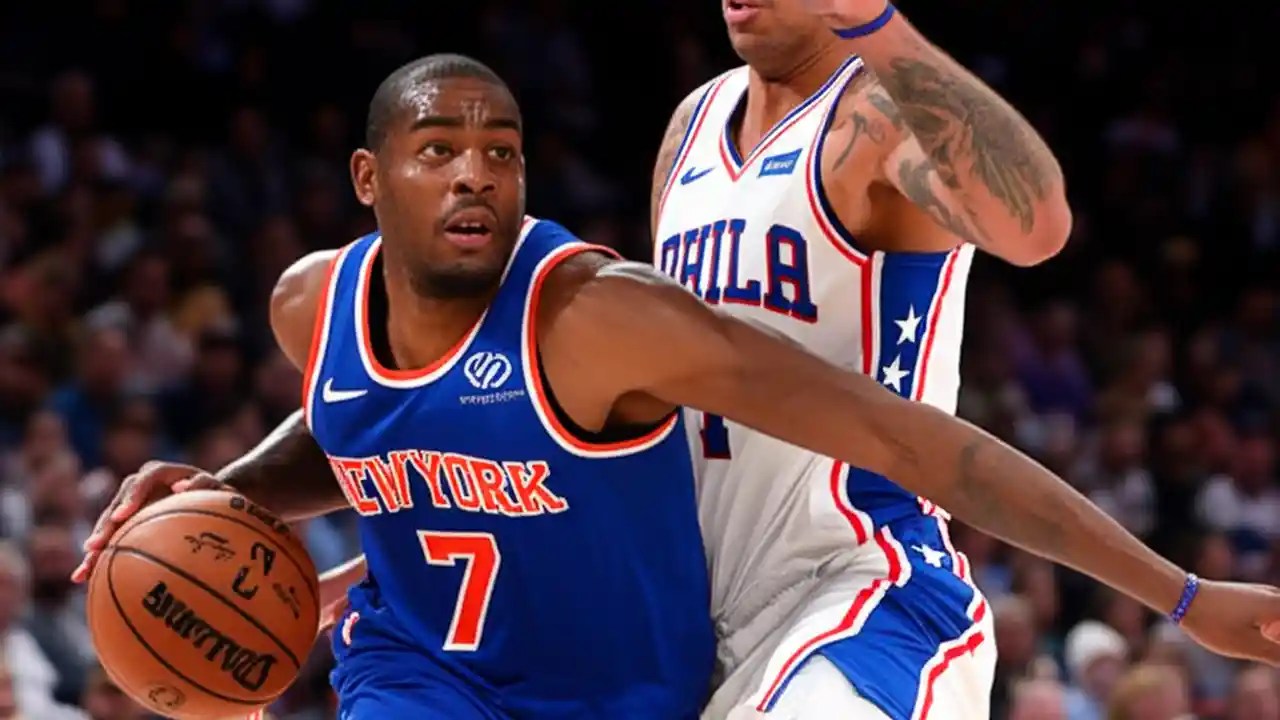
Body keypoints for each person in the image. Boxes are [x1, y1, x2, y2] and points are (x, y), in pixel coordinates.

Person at [75, 53, 1280, 719]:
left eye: (498, 152)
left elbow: (921, 432)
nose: (471, 177)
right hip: (639, 621)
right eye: (436, 151)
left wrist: (1176, 599)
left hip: (843, 584)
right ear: (367, 176)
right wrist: (237, 501)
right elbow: (394, 420)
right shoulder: (689, 131)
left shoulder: (619, 309)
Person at [647, 1, 1241, 719]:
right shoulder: (692, 124)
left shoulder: (879, 114)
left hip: (866, 588)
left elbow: (1038, 230)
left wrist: (877, 24)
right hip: (702, 610)